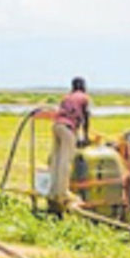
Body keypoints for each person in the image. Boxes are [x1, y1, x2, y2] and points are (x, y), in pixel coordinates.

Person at [48, 76, 90, 212]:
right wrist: (86, 137)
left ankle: (53, 191)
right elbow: (86, 118)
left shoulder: (66, 97)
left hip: (56, 126)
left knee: (56, 160)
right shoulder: (84, 98)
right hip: (67, 128)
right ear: (83, 87)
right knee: (66, 161)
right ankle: (63, 192)